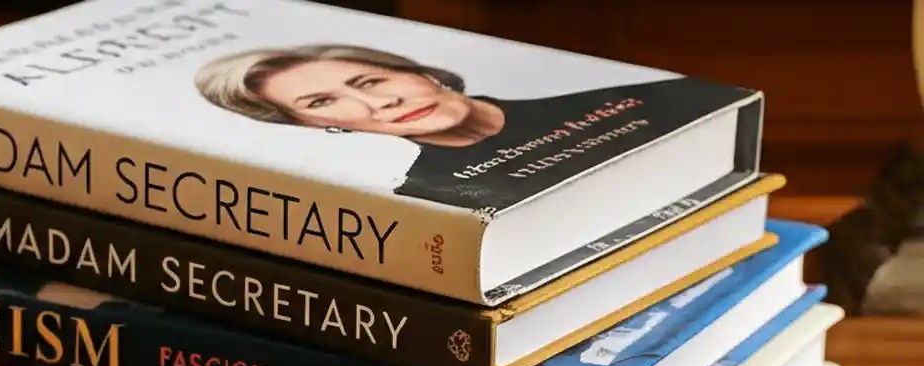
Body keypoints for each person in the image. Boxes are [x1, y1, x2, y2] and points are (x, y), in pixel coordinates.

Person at [194, 44, 755, 211]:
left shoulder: (649, 98)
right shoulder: (425, 204)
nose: (378, 106)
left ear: (419, 68)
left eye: (367, 81)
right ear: (312, 125)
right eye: (323, 101)